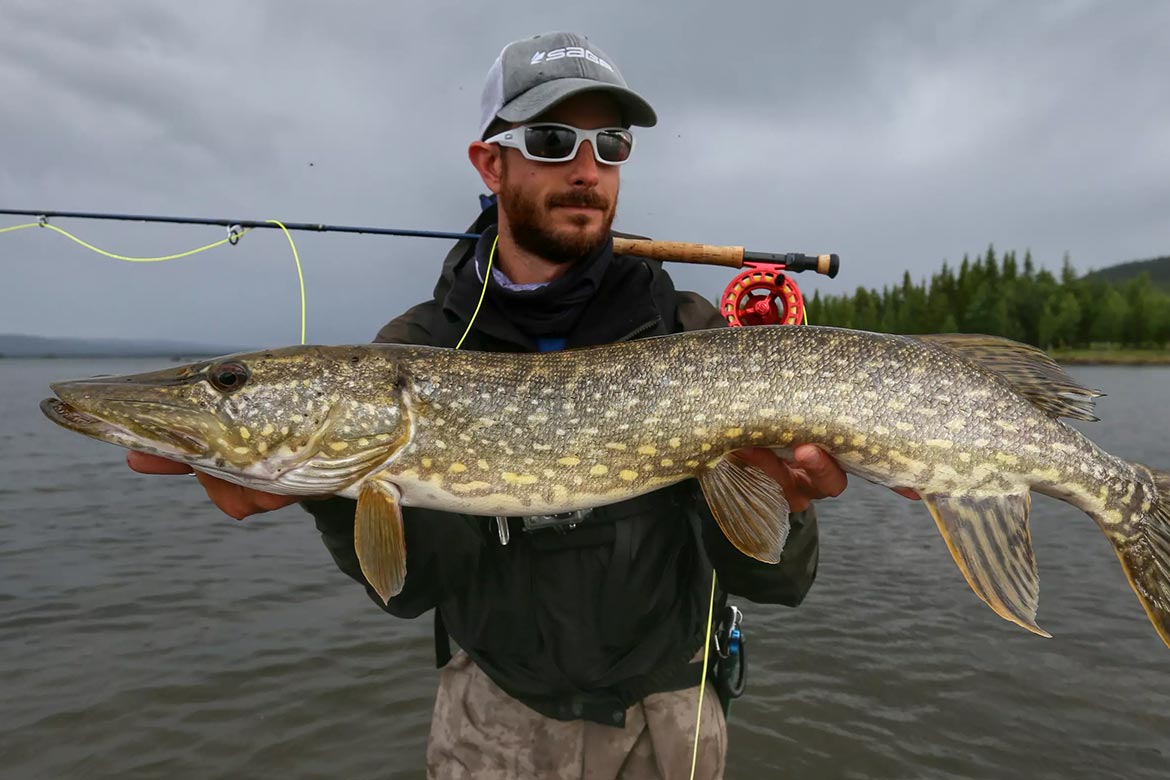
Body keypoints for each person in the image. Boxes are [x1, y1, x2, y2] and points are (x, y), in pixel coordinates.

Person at [129, 32, 853, 779]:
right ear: (489, 161)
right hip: (497, 720)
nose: (586, 168)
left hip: (670, 718)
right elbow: (414, 593)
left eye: (611, 144)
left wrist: (788, 506)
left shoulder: (691, 331)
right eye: (550, 138)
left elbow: (779, 582)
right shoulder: (419, 345)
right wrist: (327, 491)